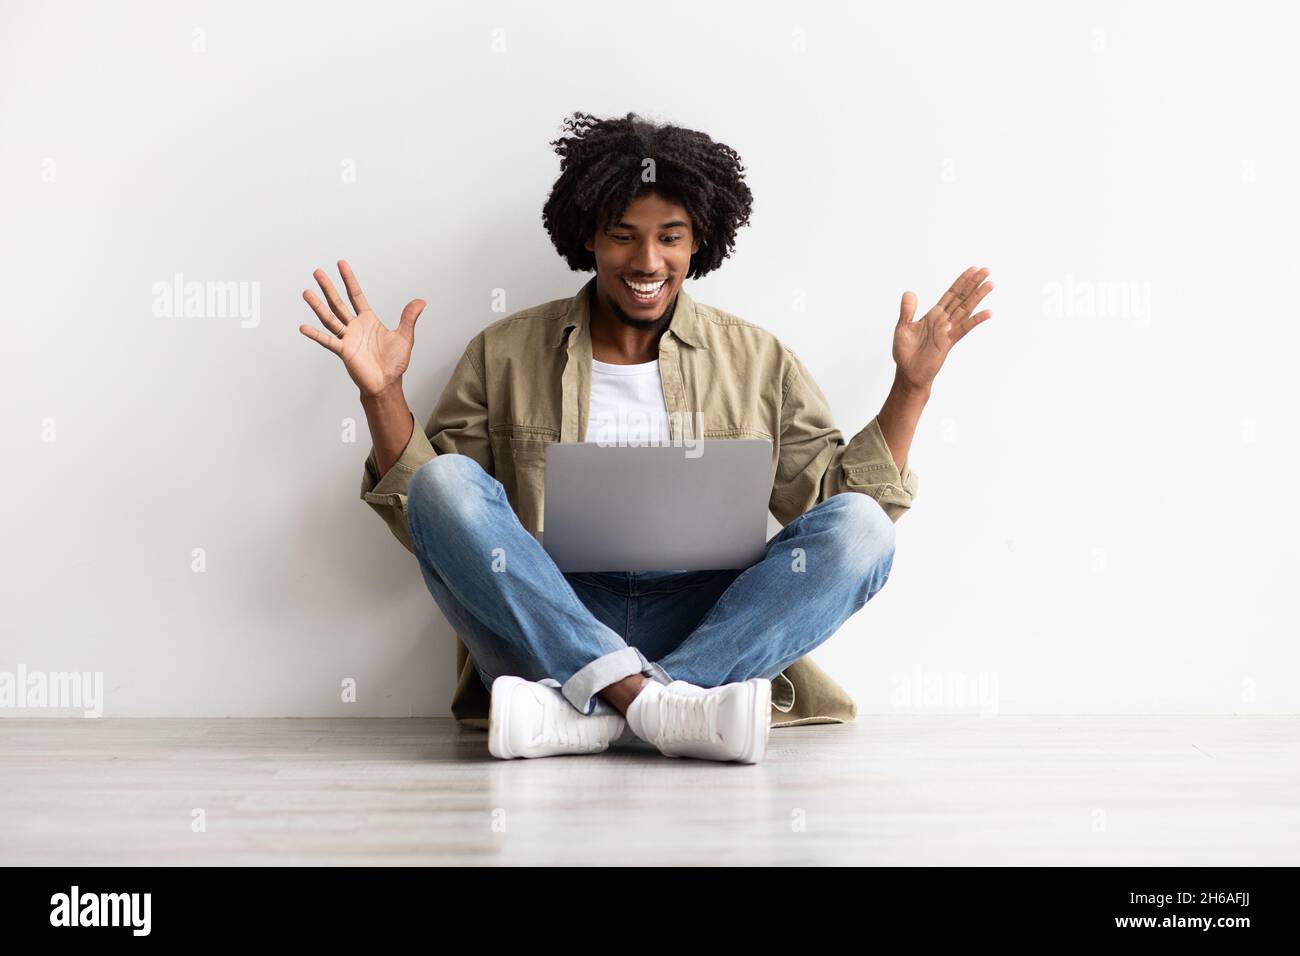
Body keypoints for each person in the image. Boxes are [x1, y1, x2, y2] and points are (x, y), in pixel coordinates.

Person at [298, 111, 993, 764]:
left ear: (699, 242)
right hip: (554, 613)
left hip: (711, 621)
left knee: (866, 528)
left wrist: (913, 387)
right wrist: (380, 394)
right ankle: (666, 709)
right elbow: (440, 526)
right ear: (589, 237)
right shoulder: (504, 351)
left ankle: (600, 708)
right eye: (623, 233)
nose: (647, 259)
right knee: (441, 482)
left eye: (671, 236)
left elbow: (835, 510)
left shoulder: (756, 358)